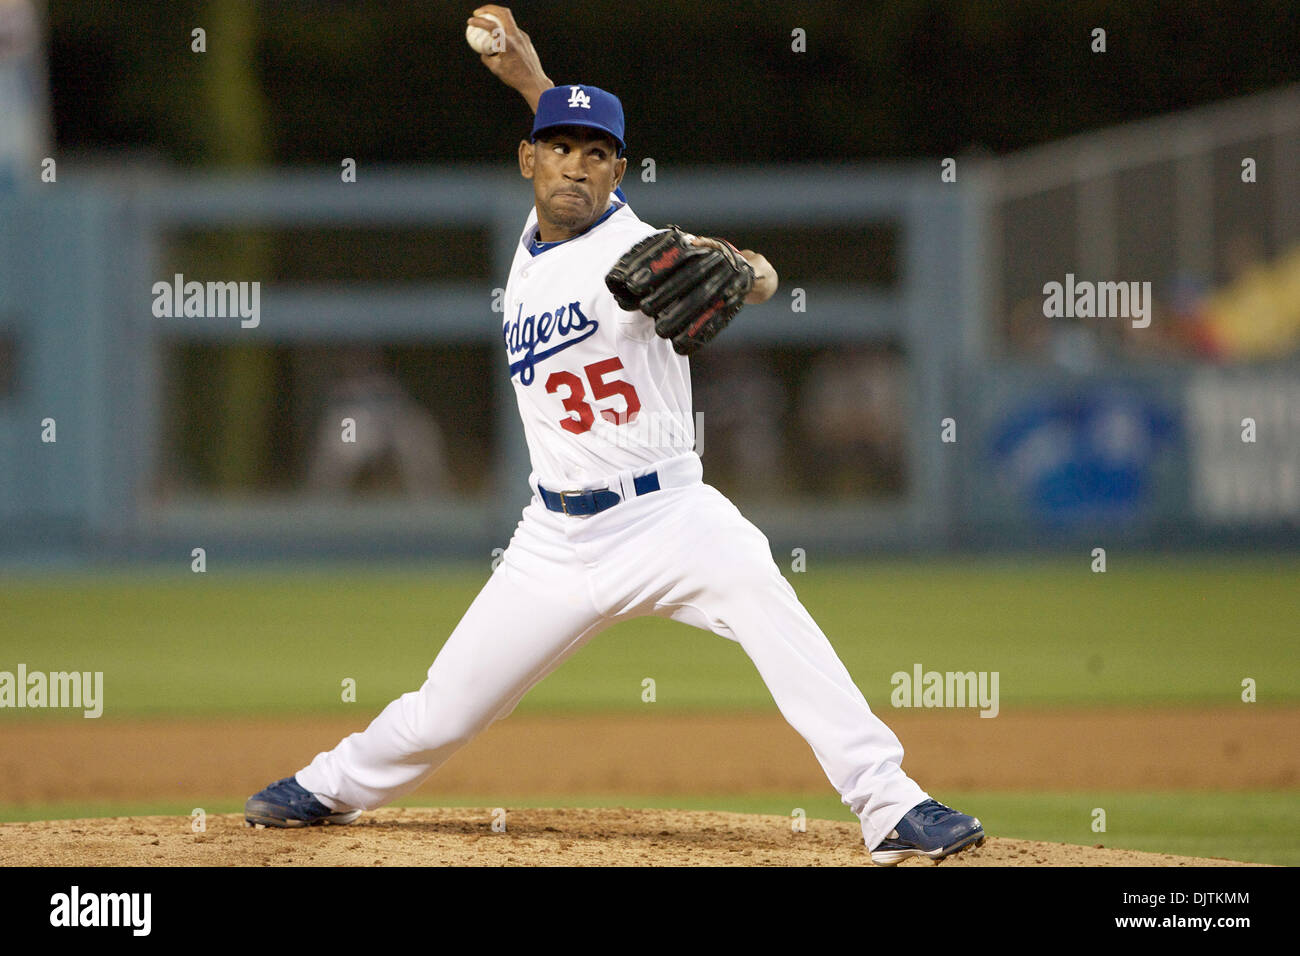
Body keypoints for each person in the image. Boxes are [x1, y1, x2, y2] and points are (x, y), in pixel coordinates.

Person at [244, 6, 983, 865]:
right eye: (560, 147)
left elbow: (756, 276)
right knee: (449, 706)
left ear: (618, 173)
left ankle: (891, 806)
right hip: (553, 538)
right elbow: (561, 112)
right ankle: (328, 786)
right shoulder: (530, 238)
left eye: (597, 155)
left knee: (769, 603)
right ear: (528, 158)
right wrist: (527, 74)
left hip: (669, 518)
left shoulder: (635, 246)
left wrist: (745, 272)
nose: (576, 166)